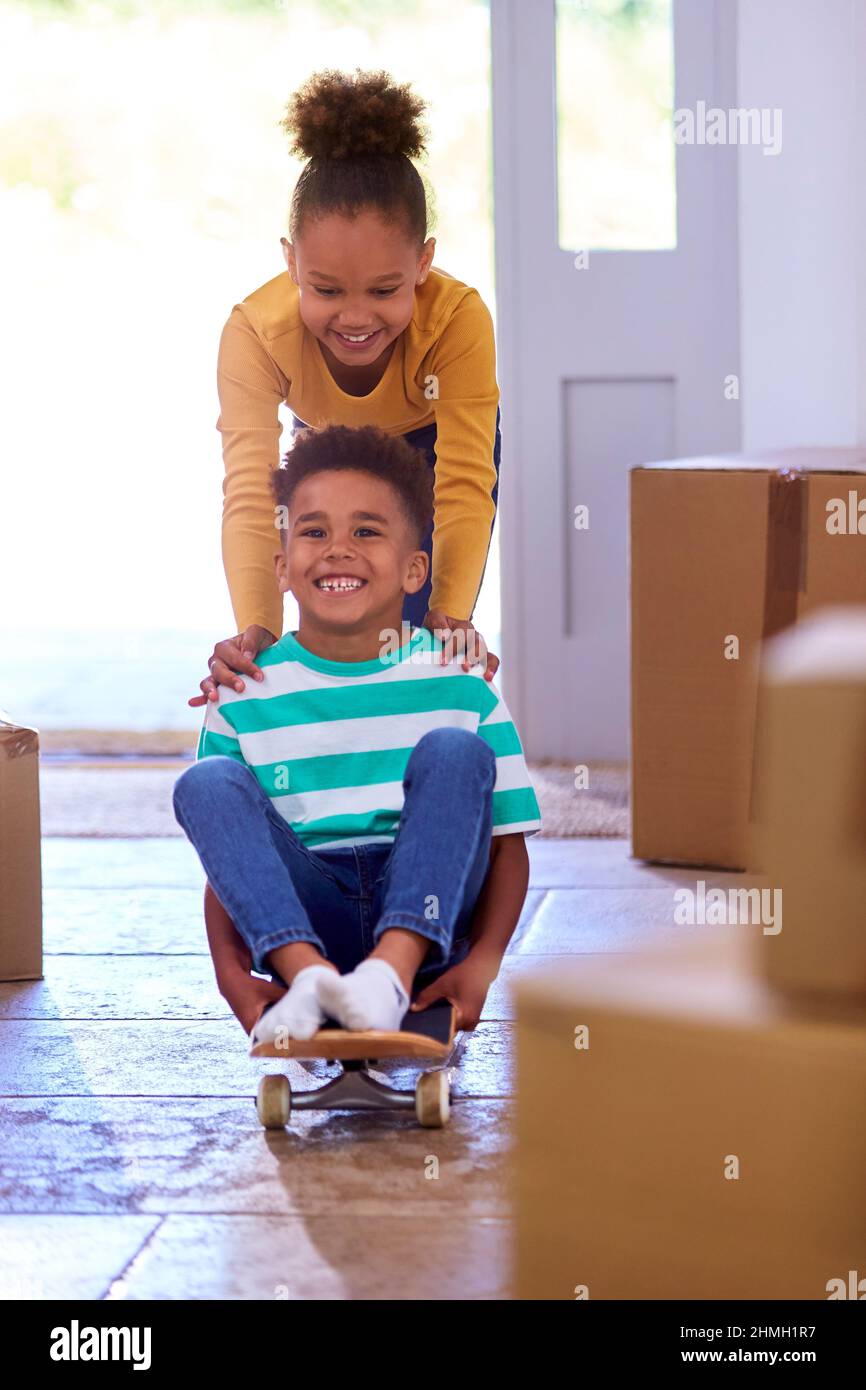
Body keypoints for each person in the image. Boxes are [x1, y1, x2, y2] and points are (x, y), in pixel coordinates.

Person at [173, 424, 541, 1046]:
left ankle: (388, 977)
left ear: (413, 568)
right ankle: (311, 977)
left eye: (366, 531)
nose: (338, 549)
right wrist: (233, 978)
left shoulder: (459, 679)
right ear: (284, 566)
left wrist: (483, 966)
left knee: (454, 750)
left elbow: (506, 847)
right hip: (306, 917)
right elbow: (230, 865)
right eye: (314, 532)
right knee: (205, 781)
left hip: (428, 916)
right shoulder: (244, 691)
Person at [191, 66, 503, 714]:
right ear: (291, 264)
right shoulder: (255, 332)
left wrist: (450, 615)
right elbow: (250, 495)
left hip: (431, 453)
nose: (356, 317)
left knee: (405, 637)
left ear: (423, 263)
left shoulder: (458, 319)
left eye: (385, 291)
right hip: (328, 450)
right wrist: (261, 632)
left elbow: (466, 482)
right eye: (326, 290)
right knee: (333, 618)